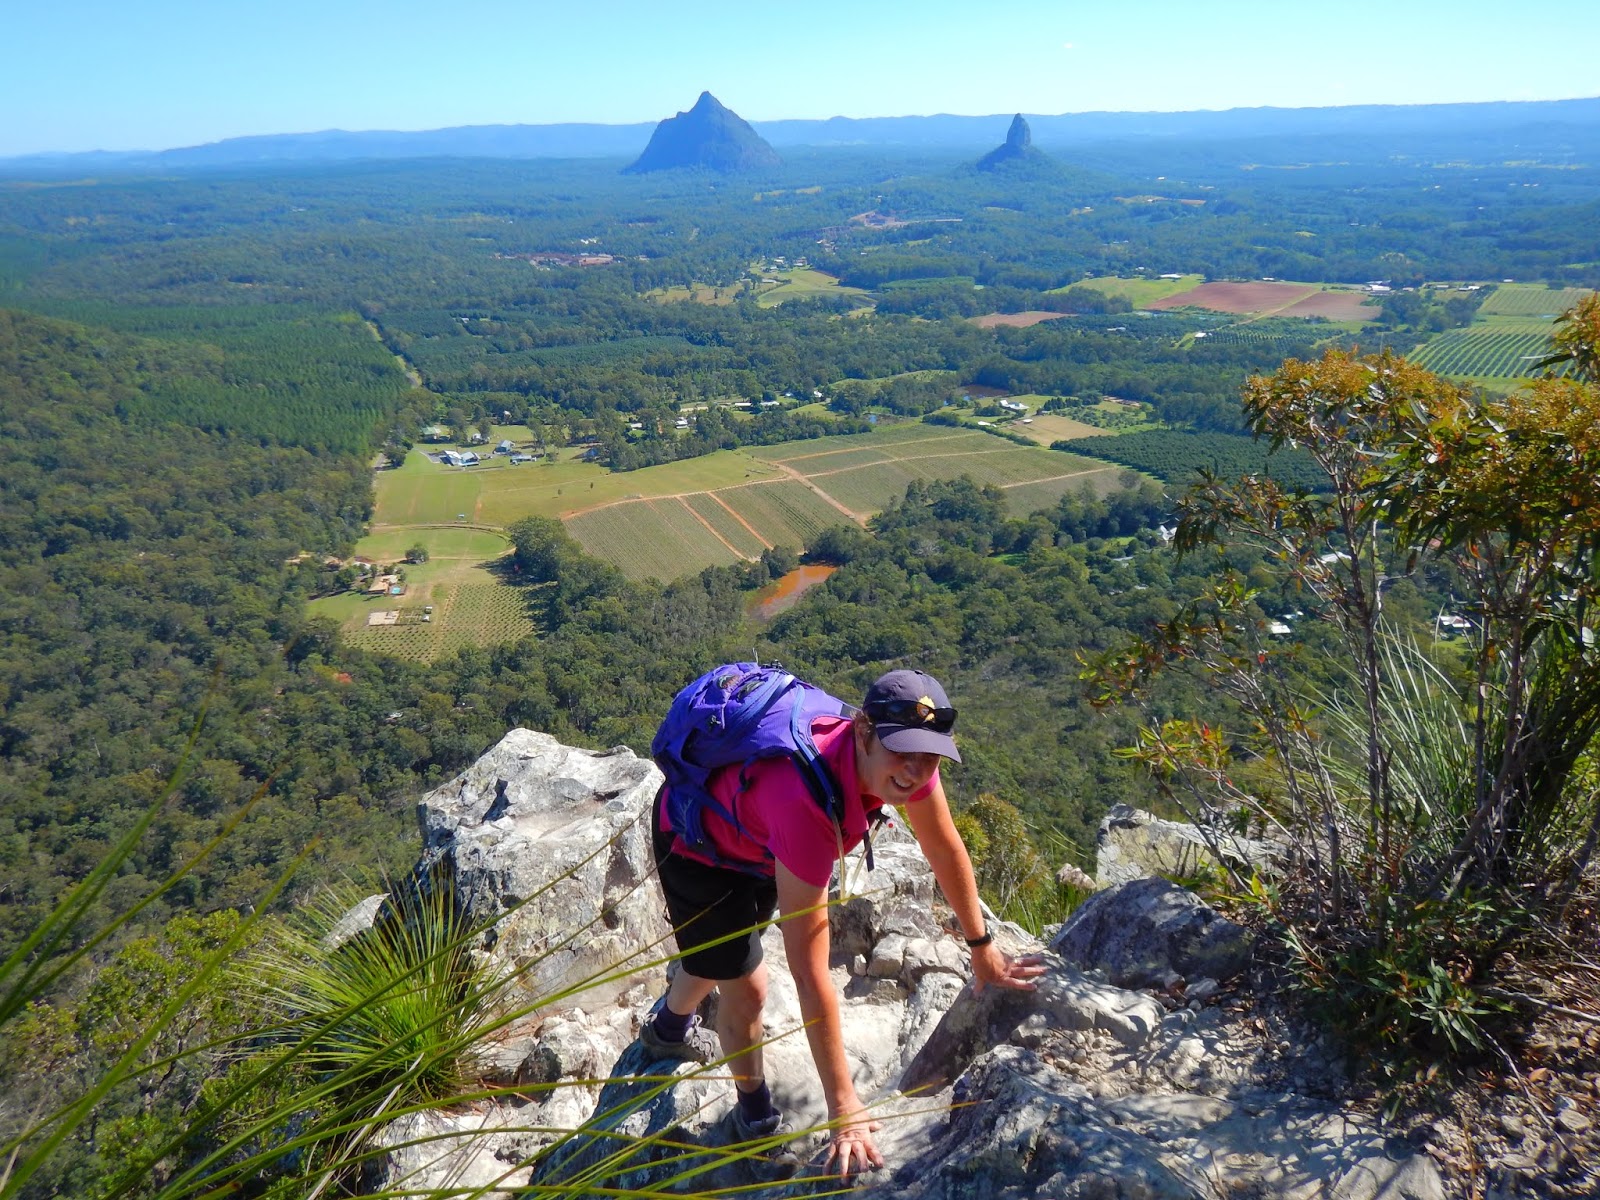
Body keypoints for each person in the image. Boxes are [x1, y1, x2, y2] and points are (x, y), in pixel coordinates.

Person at [640, 668, 1045, 1179]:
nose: (915, 772)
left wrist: (981, 944)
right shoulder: (803, 801)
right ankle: (754, 1113)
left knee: (717, 958)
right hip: (701, 850)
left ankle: (666, 1026)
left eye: (929, 757)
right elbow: (810, 975)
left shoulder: (909, 761)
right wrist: (844, 1109)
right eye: (902, 753)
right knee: (748, 989)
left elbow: (943, 846)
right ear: (861, 731)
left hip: (760, 844)